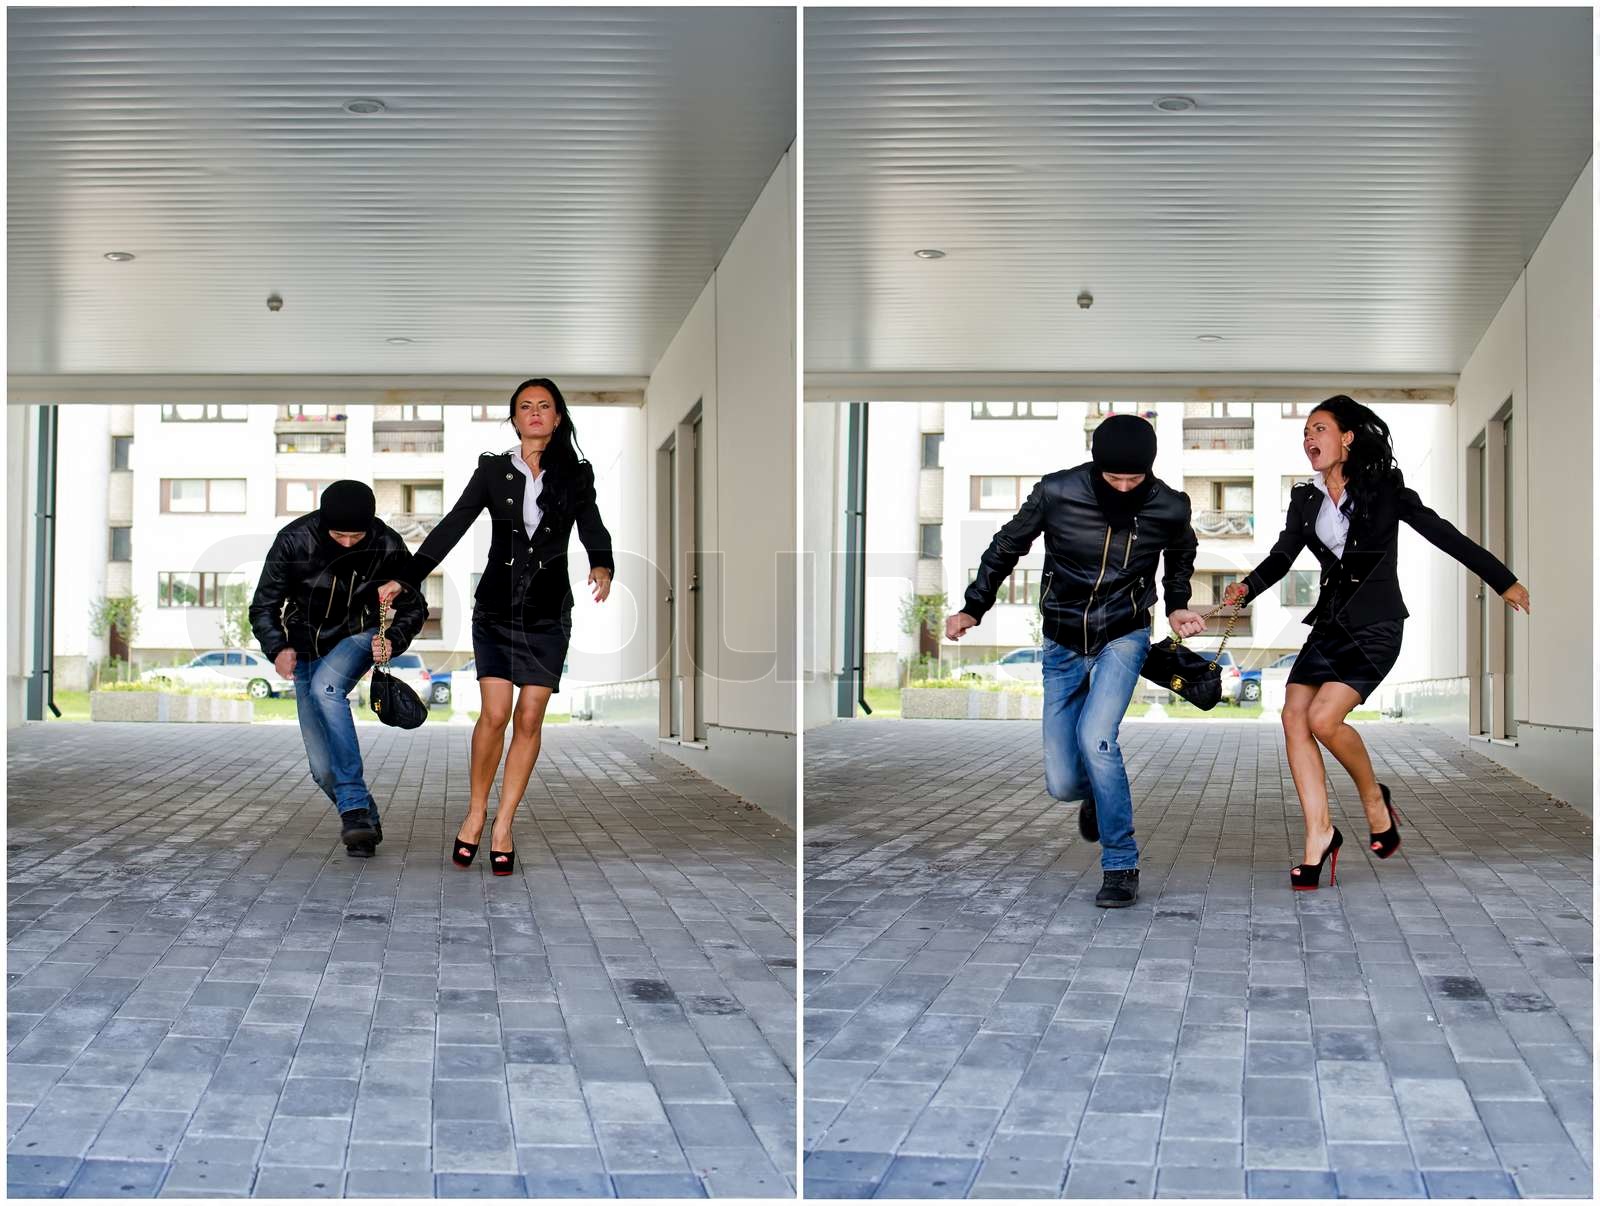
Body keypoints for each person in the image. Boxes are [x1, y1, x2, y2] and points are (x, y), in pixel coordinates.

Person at [1223, 395, 1530, 890]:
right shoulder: (1305, 499)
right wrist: (1244, 589)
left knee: (1324, 719)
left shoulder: (1383, 489)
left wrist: (1502, 581)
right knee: (1292, 716)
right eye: (1306, 432)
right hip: (1329, 625)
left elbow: (1441, 532)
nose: (1309, 439)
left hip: (1376, 625)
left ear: (1346, 438)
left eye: (1319, 429)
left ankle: (1372, 799)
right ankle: (1319, 834)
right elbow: (1282, 557)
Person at [947, 415, 1205, 907]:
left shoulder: (1170, 505)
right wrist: (973, 606)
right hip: (1062, 641)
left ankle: (1120, 864)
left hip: (1124, 635)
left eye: (1136, 480)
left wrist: (1177, 604)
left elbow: (1181, 552)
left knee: (1097, 739)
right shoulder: (1057, 493)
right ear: (1096, 466)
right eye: (1115, 479)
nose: (1126, 488)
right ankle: (1095, 794)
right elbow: (1006, 546)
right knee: (1063, 781)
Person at [379, 377, 613, 877]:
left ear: (556, 417)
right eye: (525, 406)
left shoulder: (577, 474)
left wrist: (602, 562)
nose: (534, 413)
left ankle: (504, 824)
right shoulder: (492, 470)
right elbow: (454, 523)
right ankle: (476, 810)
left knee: (530, 717)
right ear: (514, 418)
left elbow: (591, 521)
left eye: (543, 406)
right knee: (496, 712)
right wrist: (407, 577)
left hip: (549, 612)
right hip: (496, 610)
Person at [249, 480, 428, 857]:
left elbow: (414, 605)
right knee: (321, 769)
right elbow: (263, 606)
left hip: (358, 635)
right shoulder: (293, 540)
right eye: (338, 534)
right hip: (305, 648)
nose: (348, 542)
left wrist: (393, 638)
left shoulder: (387, 543)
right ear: (323, 524)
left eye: (356, 535)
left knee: (326, 689)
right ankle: (362, 819)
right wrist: (277, 647)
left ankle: (354, 811)